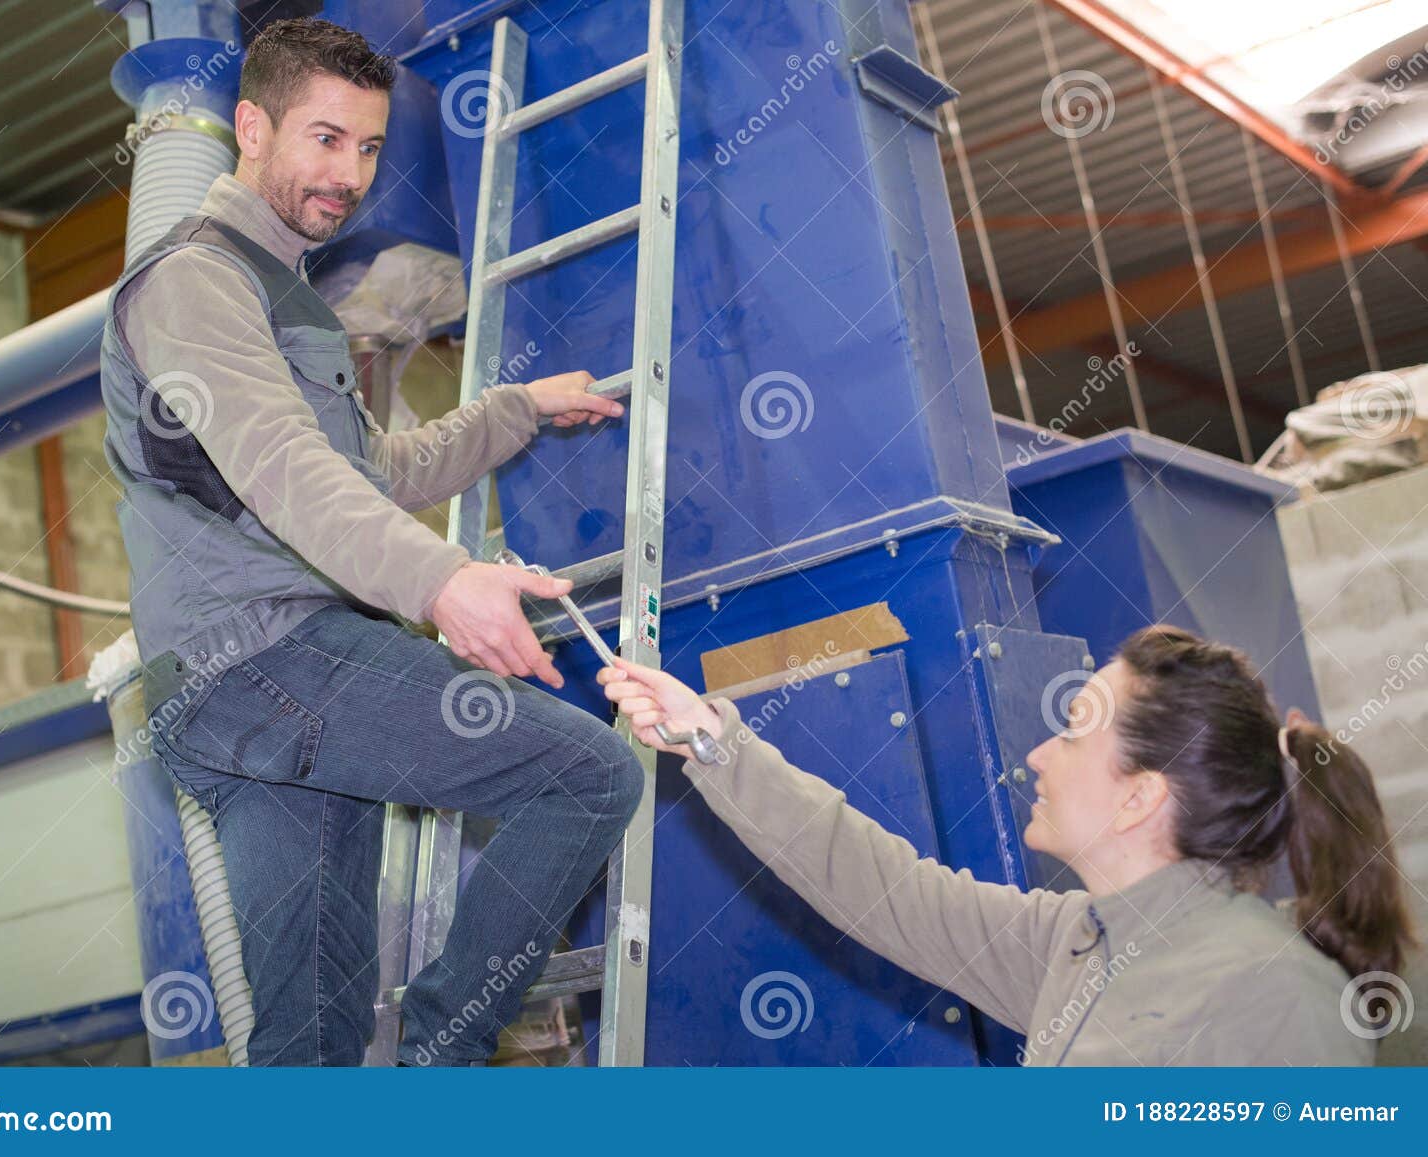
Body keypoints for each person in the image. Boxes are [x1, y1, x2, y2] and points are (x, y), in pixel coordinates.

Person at [101, 18, 642, 1065]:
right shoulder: (195, 281)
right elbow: (283, 468)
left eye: (368, 147)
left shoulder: (284, 295)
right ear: (250, 128)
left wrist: (513, 409)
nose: (347, 173)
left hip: (246, 693)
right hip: (266, 657)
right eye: (322, 138)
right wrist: (443, 582)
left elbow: (366, 474)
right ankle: (437, 1067)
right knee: (586, 775)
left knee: (309, 1038)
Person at [599, 624, 1416, 1065]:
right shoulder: (1072, 942)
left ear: (1139, 796)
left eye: (1069, 733)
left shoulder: (1275, 997)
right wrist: (712, 741)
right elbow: (882, 886)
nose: (1037, 755)